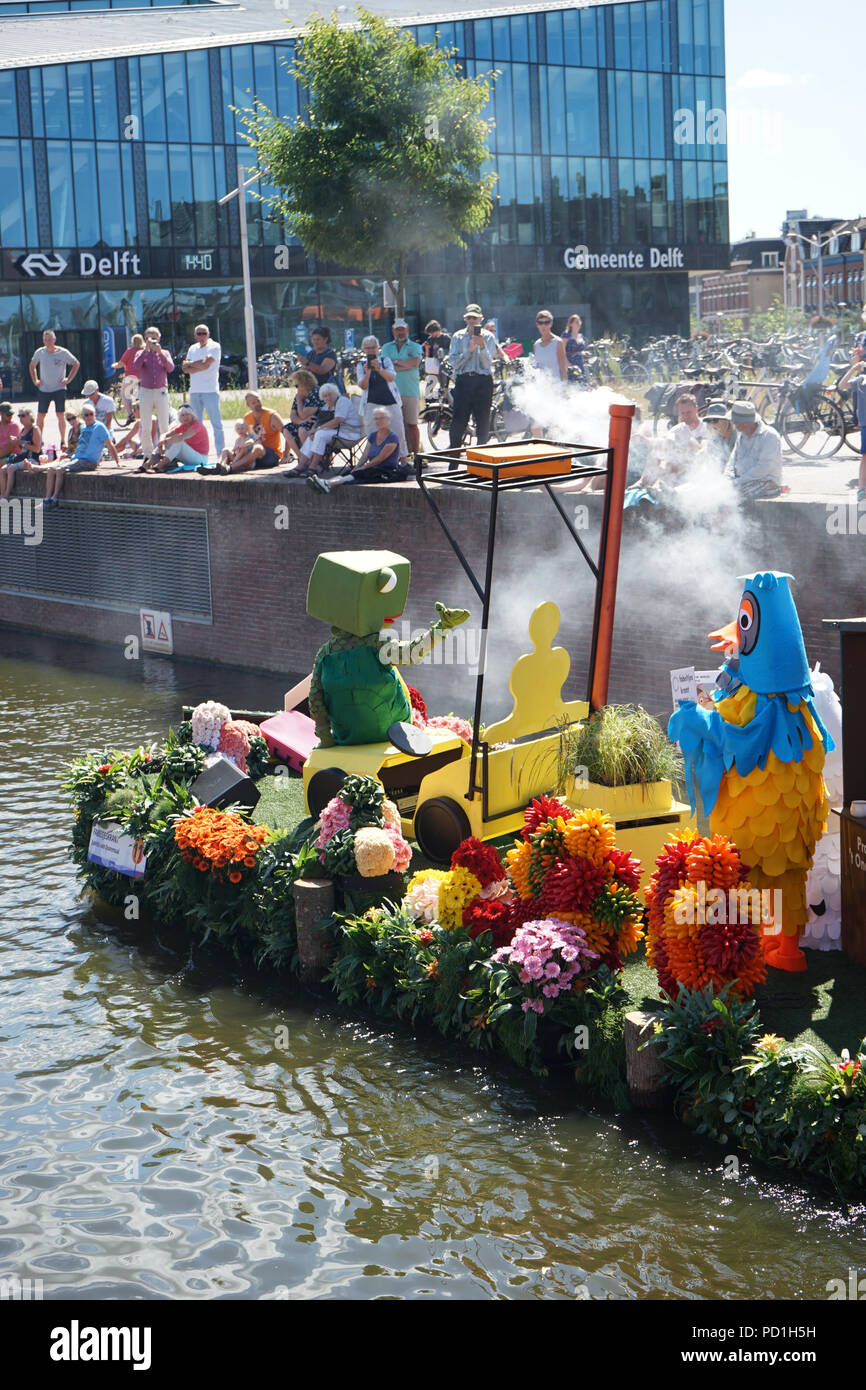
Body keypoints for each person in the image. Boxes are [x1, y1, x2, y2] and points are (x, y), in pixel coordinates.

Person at [446, 304, 507, 455]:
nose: (472, 321)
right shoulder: (457, 336)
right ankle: (453, 463)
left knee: (483, 425)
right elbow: (453, 362)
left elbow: (487, 364)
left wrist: (482, 346)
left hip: (482, 382)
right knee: (458, 424)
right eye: (469, 318)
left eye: (475, 318)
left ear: (481, 318)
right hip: (464, 381)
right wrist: (469, 350)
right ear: (465, 319)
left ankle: (480, 464)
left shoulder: (489, 337)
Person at [307, 406, 402, 492]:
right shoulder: (373, 436)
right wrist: (357, 467)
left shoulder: (392, 438)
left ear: (388, 419)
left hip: (385, 471)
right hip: (372, 468)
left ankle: (327, 484)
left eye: (381, 418)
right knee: (350, 472)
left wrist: (363, 467)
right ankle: (325, 484)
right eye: (376, 419)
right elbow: (364, 455)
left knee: (359, 473)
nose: (378, 421)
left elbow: (380, 459)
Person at [42, 401, 120, 504]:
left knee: (60, 470)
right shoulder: (83, 427)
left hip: (88, 461)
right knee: (51, 470)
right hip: (76, 458)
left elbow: (110, 445)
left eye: (91, 414)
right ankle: (47, 498)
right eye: (86, 415)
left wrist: (117, 462)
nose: (89, 417)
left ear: (94, 414)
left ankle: (55, 498)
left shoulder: (100, 427)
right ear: (83, 416)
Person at [290, 382, 362, 475]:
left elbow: (338, 420)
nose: (328, 397)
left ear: (335, 393)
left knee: (319, 434)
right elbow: (319, 421)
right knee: (313, 435)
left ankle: (313, 467)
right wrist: (313, 431)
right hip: (336, 432)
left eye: (330, 394)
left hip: (349, 433)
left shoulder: (342, 401)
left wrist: (317, 430)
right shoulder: (326, 406)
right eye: (325, 396)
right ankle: (301, 466)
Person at [356, 335, 408, 460]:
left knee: (398, 430)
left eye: (373, 347)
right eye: (367, 348)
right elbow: (362, 386)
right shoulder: (361, 365)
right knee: (372, 432)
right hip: (371, 403)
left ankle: (403, 460)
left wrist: (378, 369)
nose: (371, 350)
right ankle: (374, 460)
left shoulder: (385, 361)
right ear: (363, 350)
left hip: (390, 401)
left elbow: (391, 377)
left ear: (378, 348)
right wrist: (368, 371)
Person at [30, 330, 80, 449]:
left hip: (59, 388)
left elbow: (75, 363)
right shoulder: (40, 352)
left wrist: (68, 379)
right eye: (45, 340)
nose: (47, 342)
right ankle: (39, 440)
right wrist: (35, 380)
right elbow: (32, 366)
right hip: (44, 389)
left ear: (54, 339)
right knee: (40, 416)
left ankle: (62, 441)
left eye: (49, 339)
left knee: (60, 414)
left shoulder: (63, 352)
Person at [725, 399, 783, 500]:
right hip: (742, 480)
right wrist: (727, 478)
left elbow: (763, 468)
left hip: (766, 482)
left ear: (747, 423)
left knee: (732, 496)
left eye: (736, 421)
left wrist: (738, 482)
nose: (734, 423)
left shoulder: (769, 436)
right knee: (718, 492)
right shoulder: (741, 435)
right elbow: (732, 460)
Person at [381, 318, 423, 457]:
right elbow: (385, 366)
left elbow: (415, 363)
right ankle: (398, 457)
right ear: (393, 331)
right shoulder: (386, 347)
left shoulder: (416, 346)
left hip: (410, 391)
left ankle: (417, 456)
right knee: (394, 427)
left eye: (402, 329)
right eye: (397, 329)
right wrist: (404, 363)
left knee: (412, 425)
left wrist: (395, 363)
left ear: (407, 330)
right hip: (391, 393)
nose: (400, 332)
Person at [133, 327, 174, 469]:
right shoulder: (140, 353)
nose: (152, 340)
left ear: (159, 338)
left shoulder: (165, 352)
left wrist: (159, 352)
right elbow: (136, 365)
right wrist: (146, 351)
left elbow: (170, 368)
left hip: (161, 390)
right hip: (146, 391)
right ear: (145, 339)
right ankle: (147, 454)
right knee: (145, 424)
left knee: (164, 424)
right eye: (149, 338)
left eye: (155, 337)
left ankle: (165, 452)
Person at [181, 324, 223, 456]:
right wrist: (195, 364)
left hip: (210, 390)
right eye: (199, 333)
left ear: (208, 334)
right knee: (195, 425)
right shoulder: (192, 348)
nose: (202, 336)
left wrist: (191, 364)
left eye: (204, 333)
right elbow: (185, 369)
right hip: (194, 390)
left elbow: (206, 365)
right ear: (195, 335)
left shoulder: (214, 346)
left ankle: (221, 453)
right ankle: (198, 453)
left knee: (216, 424)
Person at [836, 326, 866, 504]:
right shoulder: (860, 380)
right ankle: (862, 488)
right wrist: (856, 365)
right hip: (864, 419)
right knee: (865, 455)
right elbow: (842, 384)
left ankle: (862, 488)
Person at [151, 405, 211, 472]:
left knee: (179, 442)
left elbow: (181, 437)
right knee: (169, 442)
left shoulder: (197, 425)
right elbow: (165, 434)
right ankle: (150, 462)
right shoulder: (183, 426)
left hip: (201, 459)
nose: (185, 417)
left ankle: (160, 465)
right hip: (190, 457)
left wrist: (164, 441)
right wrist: (161, 444)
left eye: (187, 414)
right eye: (182, 415)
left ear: (192, 415)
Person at [0, 408, 42, 498]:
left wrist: (20, 442)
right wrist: (15, 443)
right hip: (22, 457)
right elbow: (22, 448)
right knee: (2, 469)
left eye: (23, 416)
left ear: (30, 416)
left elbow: (37, 449)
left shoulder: (35, 429)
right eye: (19, 416)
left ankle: (6, 495)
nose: (20, 418)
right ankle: (2, 494)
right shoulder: (23, 430)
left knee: (11, 468)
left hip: (32, 459)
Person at [282, 370, 324, 462]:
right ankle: (302, 458)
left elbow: (303, 414)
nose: (296, 388)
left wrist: (299, 401)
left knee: (302, 430)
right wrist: (302, 421)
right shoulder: (299, 394)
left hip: (317, 423)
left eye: (297, 385)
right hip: (305, 423)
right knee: (286, 429)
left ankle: (312, 461)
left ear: (304, 383)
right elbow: (293, 417)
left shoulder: (315, 392)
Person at [111, 333, 144, 421]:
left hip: (131, 377)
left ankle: (130, 414)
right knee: (141, 396)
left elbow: (121, 364)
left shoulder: (130, 351)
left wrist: (114, 365)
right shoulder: (145, 351)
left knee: (125, 395)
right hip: (143, 377)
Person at [703, 400, 737, 468]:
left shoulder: (738, 437)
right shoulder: (714, 440)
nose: (712, 424)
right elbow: (710, 462)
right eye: (709, 421)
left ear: (726, 421)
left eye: (715, 420)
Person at [562, 314, 587, 379]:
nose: (578, 323)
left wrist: (583, 353)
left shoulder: (581, 336)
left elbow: (579, 350)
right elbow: (561, 350)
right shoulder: (566, 335)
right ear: (571, 324)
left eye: (579, 321)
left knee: (582, 382)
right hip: (571, 363)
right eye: (576, 322)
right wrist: (566, 363)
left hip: (580, 363)